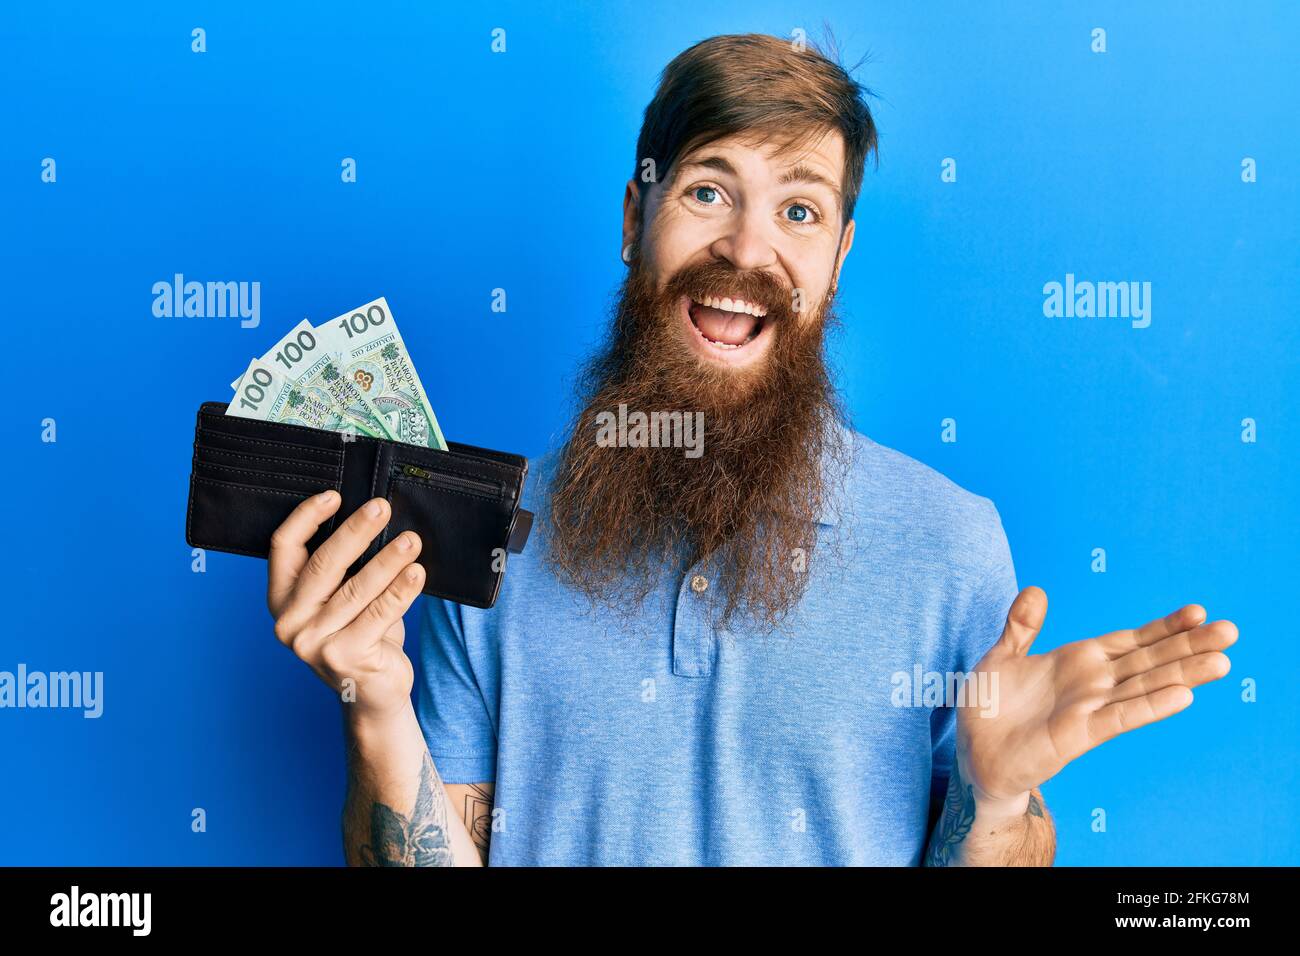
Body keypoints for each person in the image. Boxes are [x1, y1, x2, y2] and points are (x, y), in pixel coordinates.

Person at [265, 33, 1237, 866]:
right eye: (706, 190)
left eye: (799, 210)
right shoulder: (493, 534)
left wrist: (993, 798)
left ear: (839, 255)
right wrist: (376, 706)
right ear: (632, 218)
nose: (745, 248)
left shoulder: (951, 543)